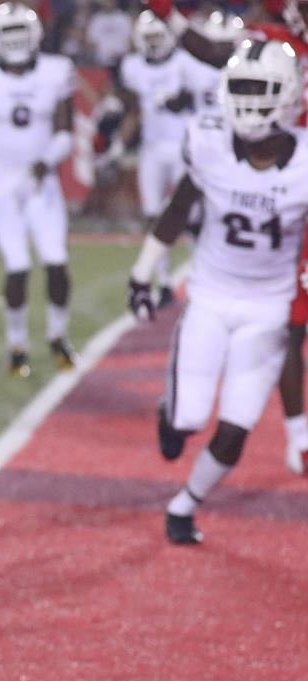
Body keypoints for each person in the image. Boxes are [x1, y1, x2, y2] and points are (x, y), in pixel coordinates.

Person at [130, 41, 308, 543]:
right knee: (187, 420)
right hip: (210, 295)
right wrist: (142, 274)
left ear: (289, 95)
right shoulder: (208, 143)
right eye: (242, 87)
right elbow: (177, 211)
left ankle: (184, 505)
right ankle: (170, 415)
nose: (250, 100)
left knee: (235, 429)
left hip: (268, 307)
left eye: (261, 88)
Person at [0, 2, 78, 378]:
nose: (15, 40)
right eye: (8, 33)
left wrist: (48, 159)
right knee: (17, 266)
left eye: (19, 32)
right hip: (0, 179)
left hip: (42, 179)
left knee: (56, 261)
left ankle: (58, 336)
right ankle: (16, 345)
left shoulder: (56, 70)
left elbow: (66, 131)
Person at [115, 10, 191, 310]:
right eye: (150, 37)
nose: (155, 42)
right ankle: (164, 281)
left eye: (159, 35)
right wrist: (120, 143)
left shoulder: (183, 61)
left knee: (190, 215)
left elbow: (191, 99)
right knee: (152, 215)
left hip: (183, 147)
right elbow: (134, 109)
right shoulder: (132, 66)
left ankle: (198, 274)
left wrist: (174, 101)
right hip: (152, 148)